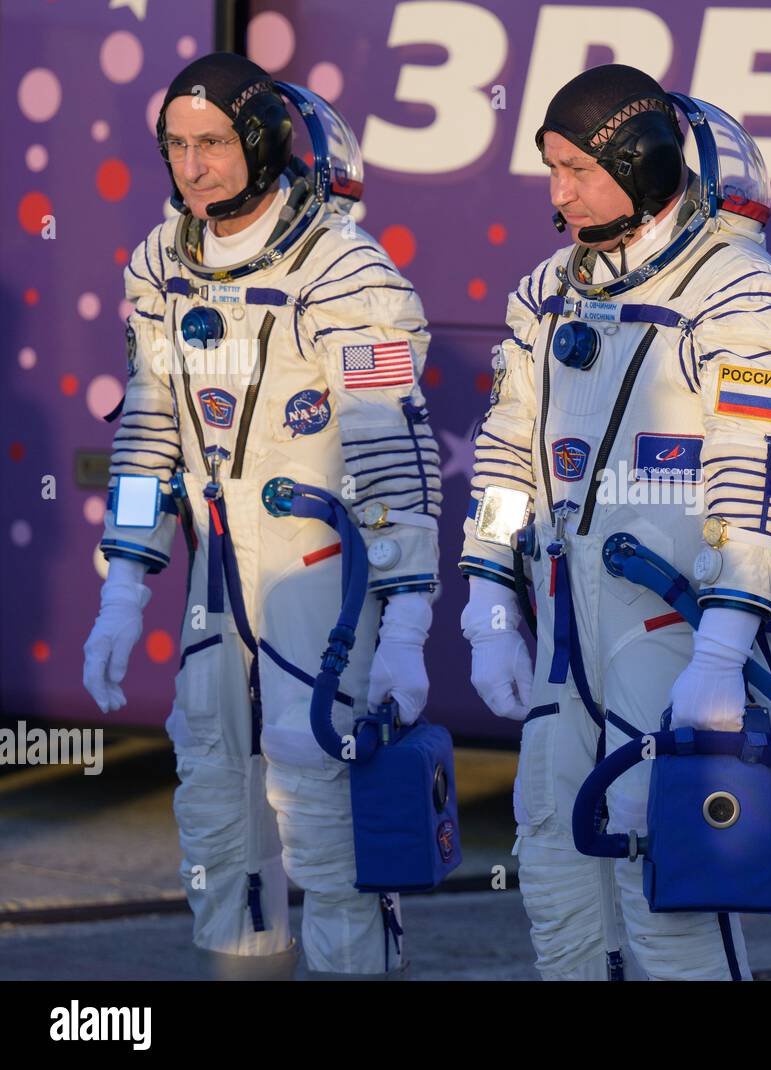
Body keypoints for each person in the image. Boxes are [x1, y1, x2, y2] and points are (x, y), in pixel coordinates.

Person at [458, 64, 771, 980]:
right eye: (550, 168)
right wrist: (489, 600)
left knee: (674, 904)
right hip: (570, 639)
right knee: (556, 880)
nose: (560, 193)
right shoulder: (548, 294)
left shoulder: (742, 297)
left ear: (645, 162)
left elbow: (757, 494)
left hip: (686, 633)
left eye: (581, 168)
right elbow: (506, 459)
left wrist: (722, 653)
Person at [81, 53, 442, 979]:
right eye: (175, 147)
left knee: (324, 811)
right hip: (218, 577)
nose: (192, 167)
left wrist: (406, 627)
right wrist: (125, 584)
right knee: (216, 808)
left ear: (260, 144)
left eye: (211, 144)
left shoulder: (348, 273)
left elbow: (394, 465)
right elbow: (149, 430)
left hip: (320, 575)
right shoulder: (161, 264)